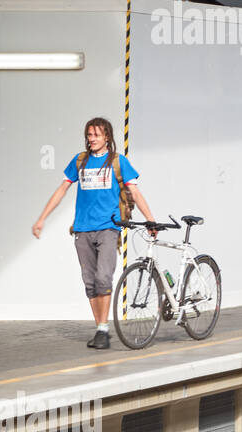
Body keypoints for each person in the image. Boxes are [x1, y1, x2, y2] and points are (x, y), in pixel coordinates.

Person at [31, 118, 156, 349]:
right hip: (82, 229)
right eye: (89, 135)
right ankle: (101, 329)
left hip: (109, 227)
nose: (92, 139)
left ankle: (103, 328)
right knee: (89, 282)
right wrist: (42, 218)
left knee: (103, 277)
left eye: (97, 135)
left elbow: (135, 192)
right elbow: (62, 189)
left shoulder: (118, 162)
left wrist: (150, 219)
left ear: (107, 137)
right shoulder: (80, 161)